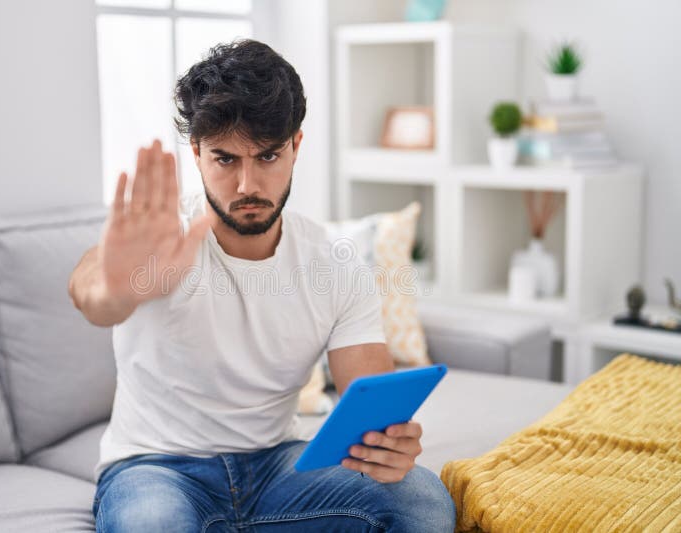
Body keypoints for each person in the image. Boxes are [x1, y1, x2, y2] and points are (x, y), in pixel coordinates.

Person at [69, 38, 456, 532]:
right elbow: (91, 293)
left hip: (278, 467)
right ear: (197, 153)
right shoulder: (160, 240)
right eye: (225, 159)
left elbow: (370, 407)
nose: (247, 184)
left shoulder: (335, 264)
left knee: (421, 500)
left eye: (268, 156)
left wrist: (388, 447)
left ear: (296, 146)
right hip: (156, 467)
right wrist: (118, 287)